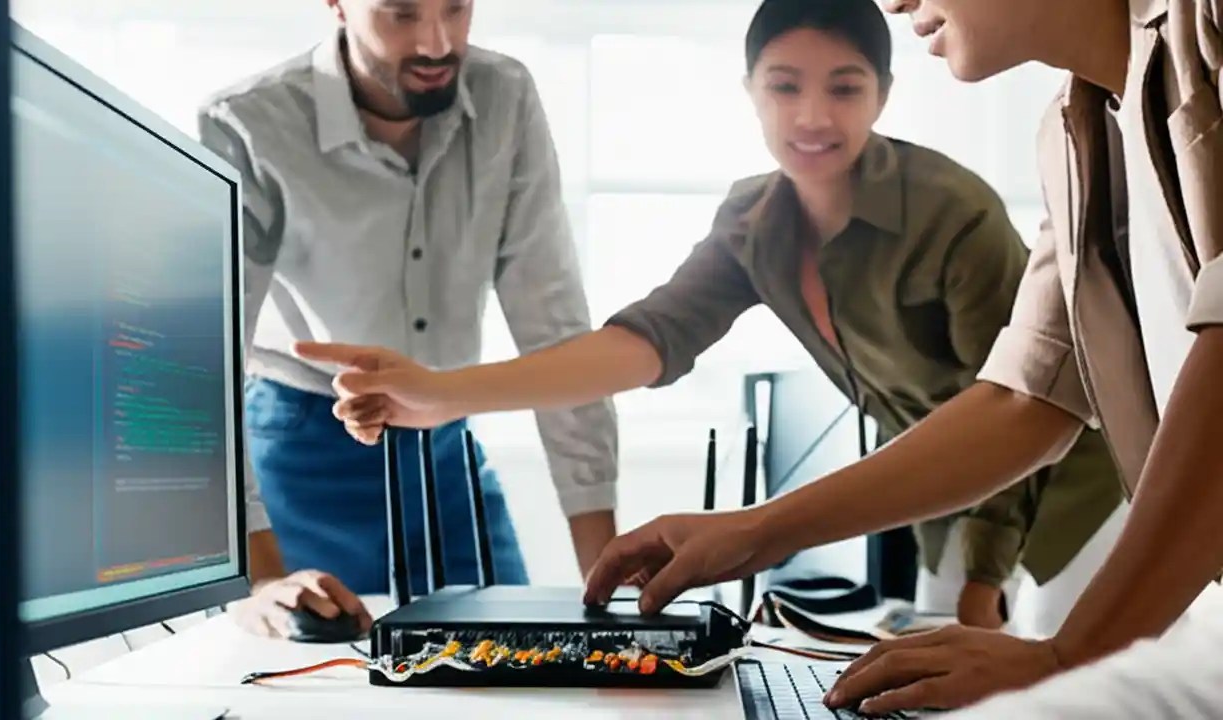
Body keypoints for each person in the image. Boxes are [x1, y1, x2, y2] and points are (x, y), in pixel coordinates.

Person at [294, 0, 1126, 635]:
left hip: (1075, 500)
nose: (812, 116)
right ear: (750, 94)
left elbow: (1020, 401)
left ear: (883, 93)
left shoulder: (953, 211)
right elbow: (643, 342)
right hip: (945, 498)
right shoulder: (752, 221)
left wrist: (984, 584)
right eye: (785, 86)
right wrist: (446, 393)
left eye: (844, 88)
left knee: (1051, 681)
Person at [533, 0, 1222, 714]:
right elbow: (1025, 397)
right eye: (784, 86)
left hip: (1105, 536)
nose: (891, 3)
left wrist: (1066, 654)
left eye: (842, 86)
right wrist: (754, 531)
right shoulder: (1070, 135)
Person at [196, 0, 619, 638]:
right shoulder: (248, 123)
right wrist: (258, 579)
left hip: (443, 442)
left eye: (457, 8)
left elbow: (555, 329)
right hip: (304, 446)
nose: (436, 42)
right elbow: (207, 358)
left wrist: (608, 580)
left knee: (521, 660)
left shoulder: (505, 98)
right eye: (402, 15)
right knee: (315, 669)